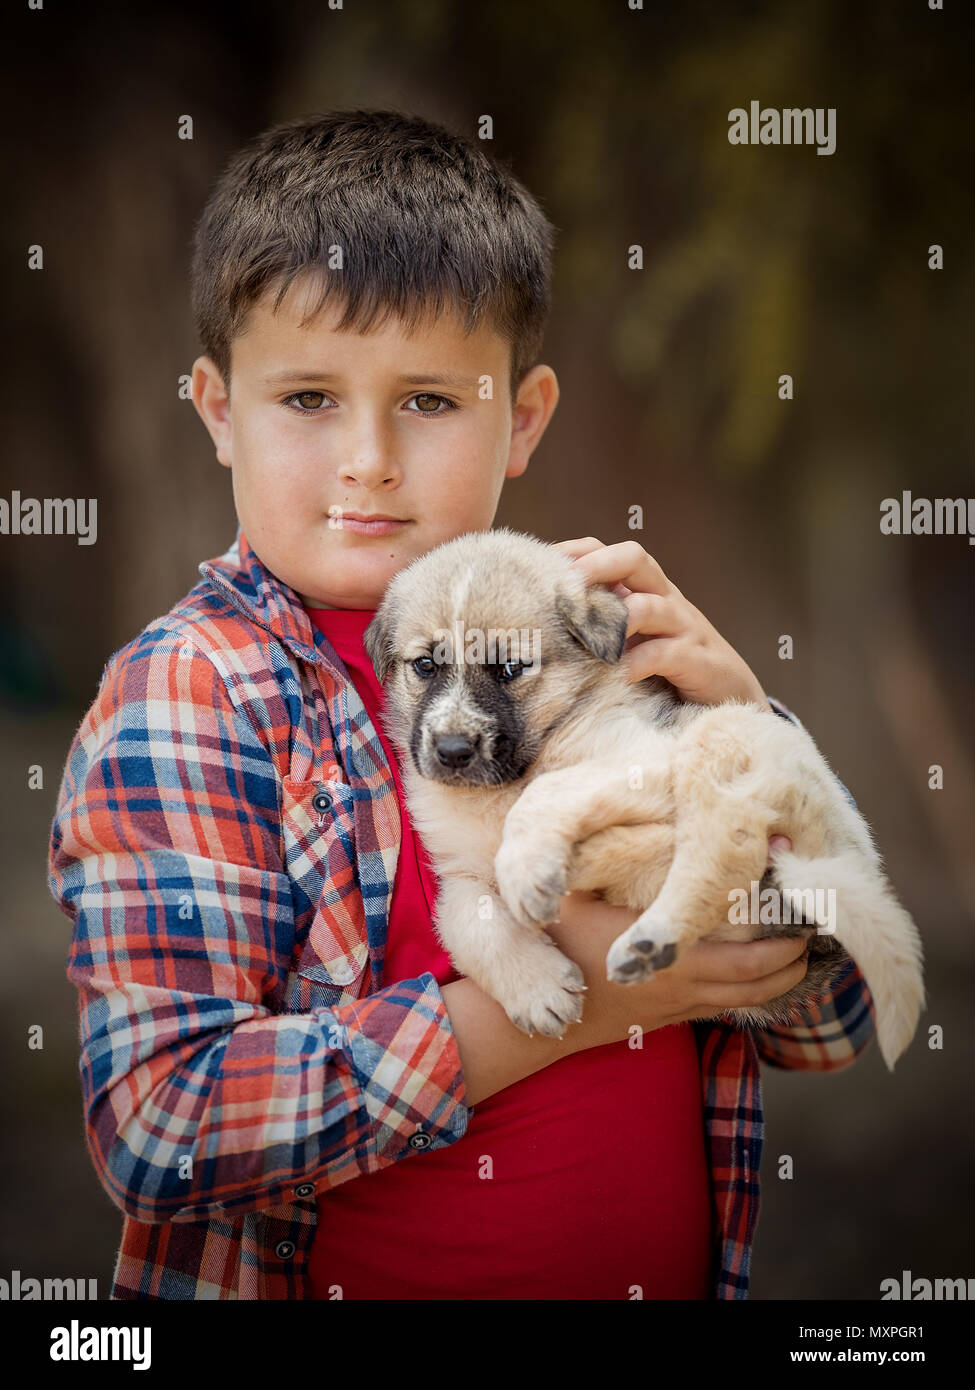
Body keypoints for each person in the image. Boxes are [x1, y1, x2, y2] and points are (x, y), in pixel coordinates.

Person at [46, 108, 876, 1302]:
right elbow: (163, 1124)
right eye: (309, 399)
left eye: (430, 400)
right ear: (220, 410)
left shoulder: (606, 642)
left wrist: (760, 745)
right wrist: (572, 1008)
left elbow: (828, 1024)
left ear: (524, 416)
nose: (370, 457)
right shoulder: (193, 693)